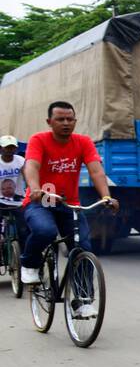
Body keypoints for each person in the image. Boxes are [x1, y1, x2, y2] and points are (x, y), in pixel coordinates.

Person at [19, 101, 119, 287]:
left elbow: (96, 171)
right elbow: (31, 165)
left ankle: (83, 301)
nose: (66, 123)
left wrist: (106, 196)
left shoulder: (83, 142)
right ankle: (29, 264)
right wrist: (34, 188)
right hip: (41, 202)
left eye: (69, 119)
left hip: (70, 205)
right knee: (45, 231)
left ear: (75, 121)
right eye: (60, 119)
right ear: (49, 121)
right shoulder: (39, 139)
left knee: (83, 248)